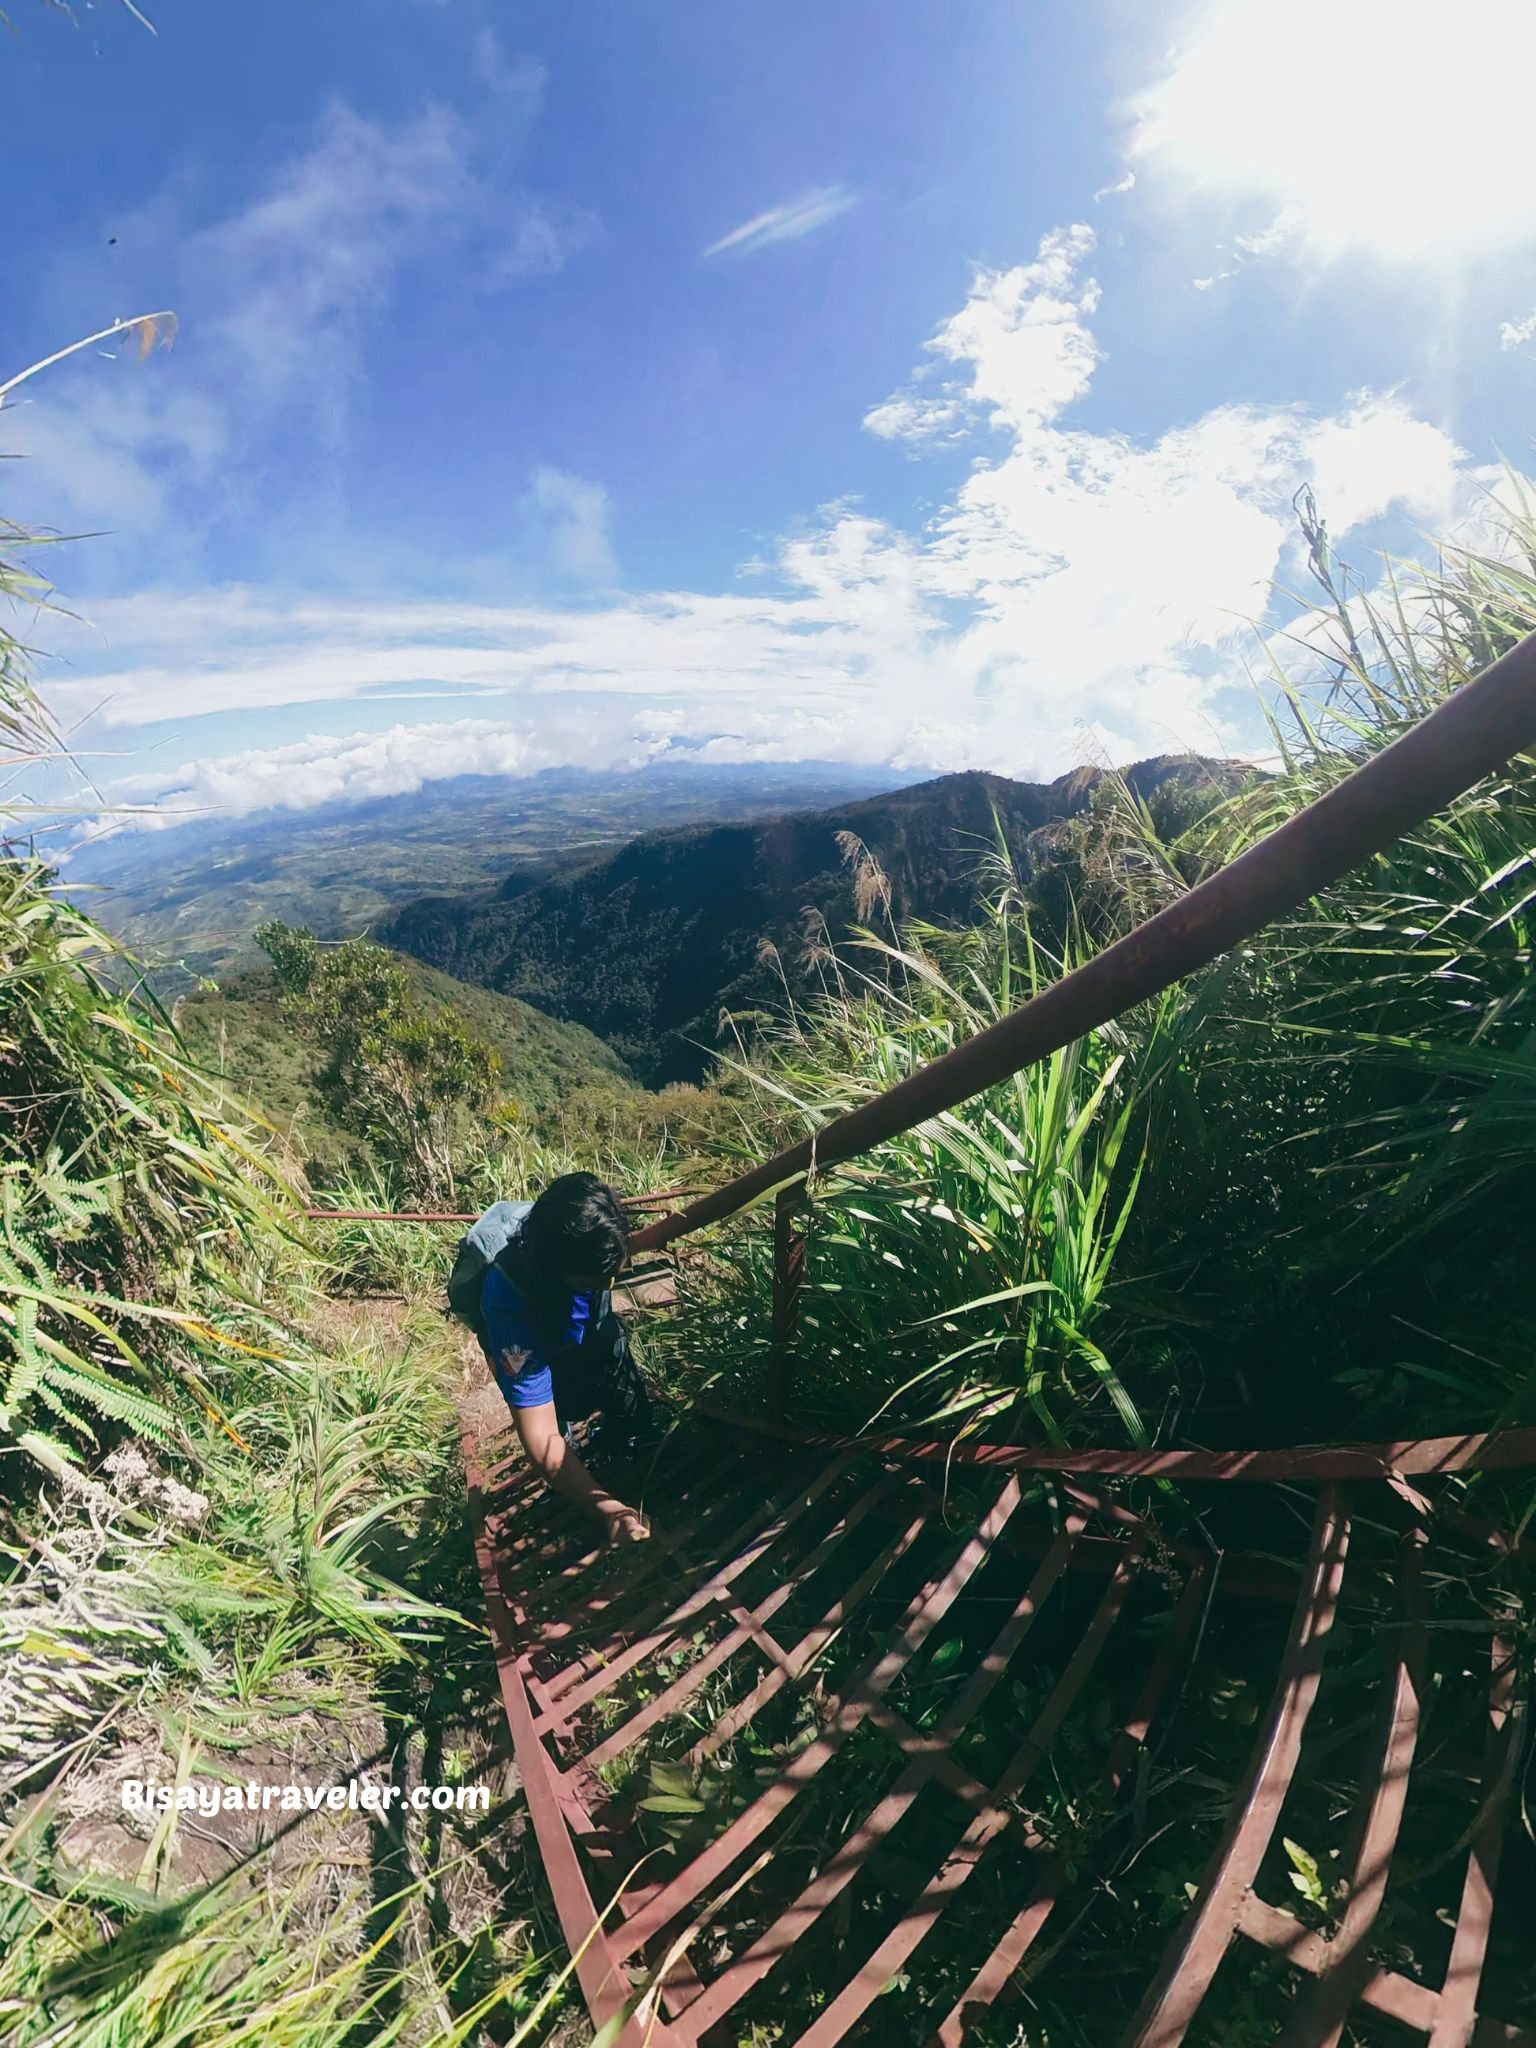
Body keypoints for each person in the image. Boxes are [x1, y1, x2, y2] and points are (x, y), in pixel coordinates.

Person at [468, 1174, 660, 1546]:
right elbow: (540, 1436)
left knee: (626, 1392)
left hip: (592, 1336)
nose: (608, 1286)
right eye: (593, 1281)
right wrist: (610, 1512)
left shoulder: (596, 1240)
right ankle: (573, 1472)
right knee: (557, 1432)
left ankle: (625, 1438)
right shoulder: (508, 1303)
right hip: (543, 1355)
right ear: (557, 1271)